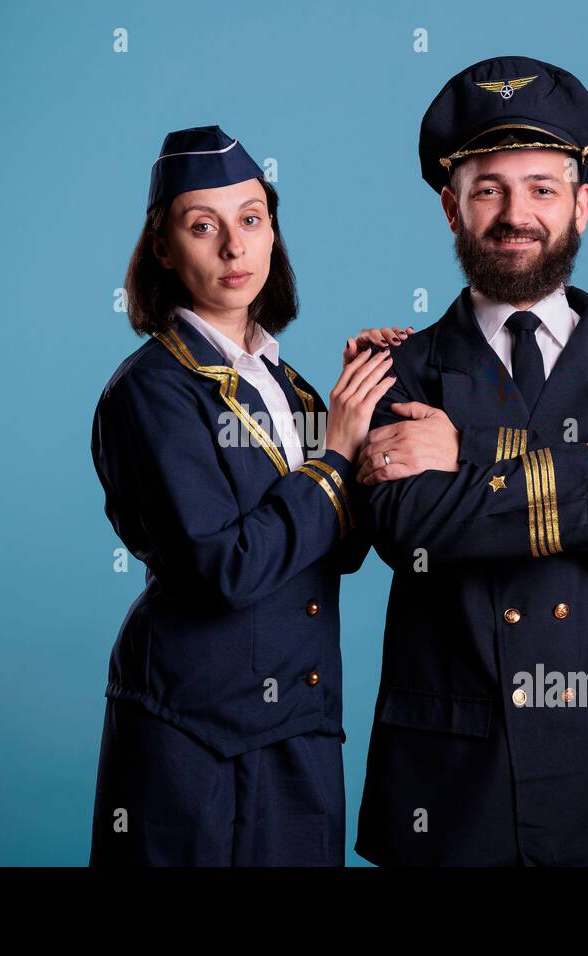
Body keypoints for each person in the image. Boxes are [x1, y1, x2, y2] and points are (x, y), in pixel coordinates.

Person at [351, 57, 588, 867]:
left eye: (543, 188)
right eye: (489, 189)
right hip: (449, 771)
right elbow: (411, 530)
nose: (517, 214)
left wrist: (465, 455)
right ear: (451, 207)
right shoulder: (392, 370)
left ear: (581, 205)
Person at [88, 125, 404, 866]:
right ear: (164, 248)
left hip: (302, 720)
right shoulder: (150, 391)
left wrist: (366, 396)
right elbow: (221, 567)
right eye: (204, 226)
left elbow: (344, 546)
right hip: (194, 727)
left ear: (272, 232)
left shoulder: (289, 384)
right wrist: (335, 454)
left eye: (251, 219)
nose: (234, 246)